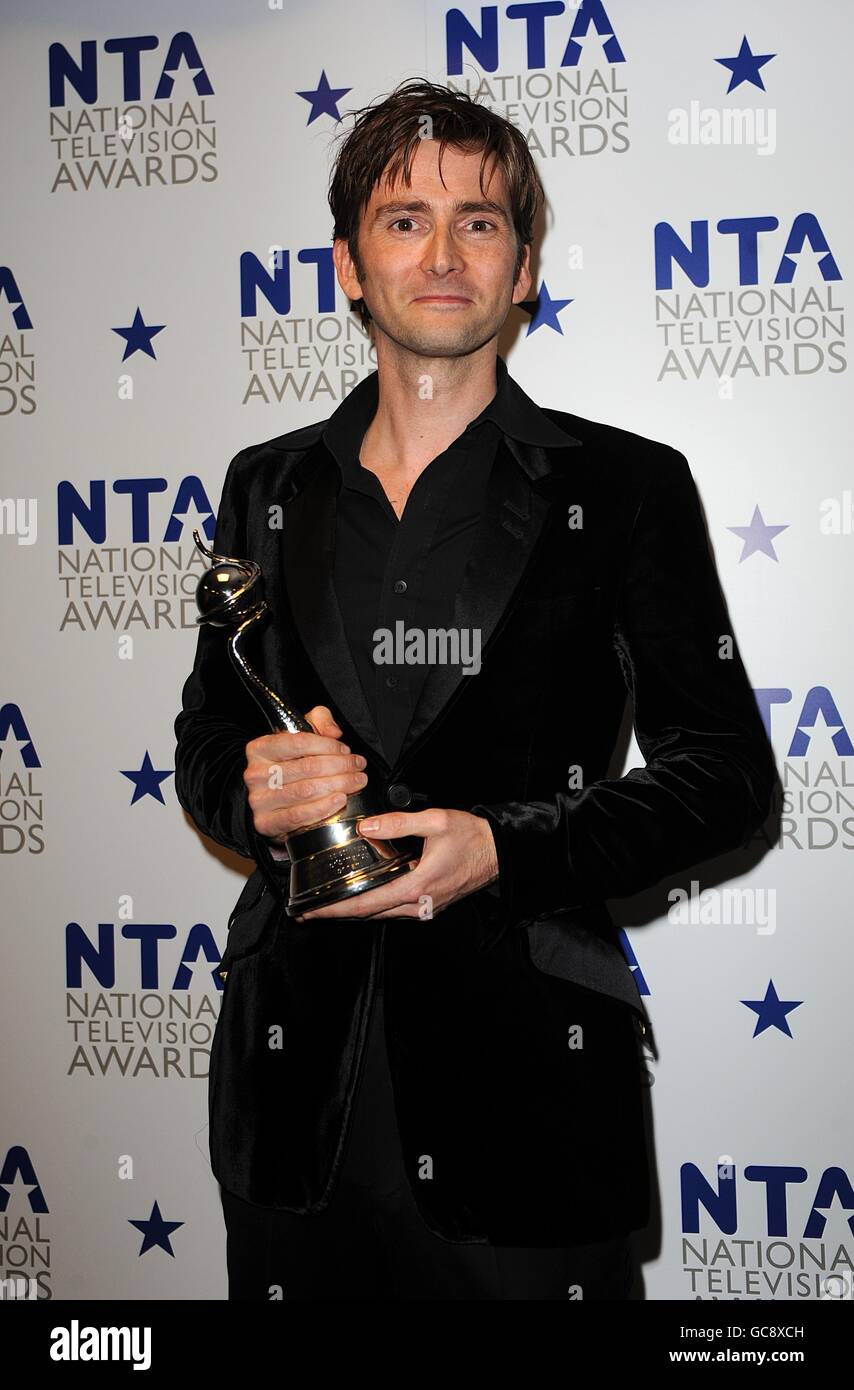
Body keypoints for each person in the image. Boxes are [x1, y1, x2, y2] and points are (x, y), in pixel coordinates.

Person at [174, 79, 777, 1300]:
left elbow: (727, 777)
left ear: (522, 269)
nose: (441, 253)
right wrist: (258, 797)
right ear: (348, 264)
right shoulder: (262, 485)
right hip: (297, 1110)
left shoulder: (625, 488)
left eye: (480, 222)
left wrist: (506, 848)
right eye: (403, 221)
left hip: (531, 1109)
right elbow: (206, 741)